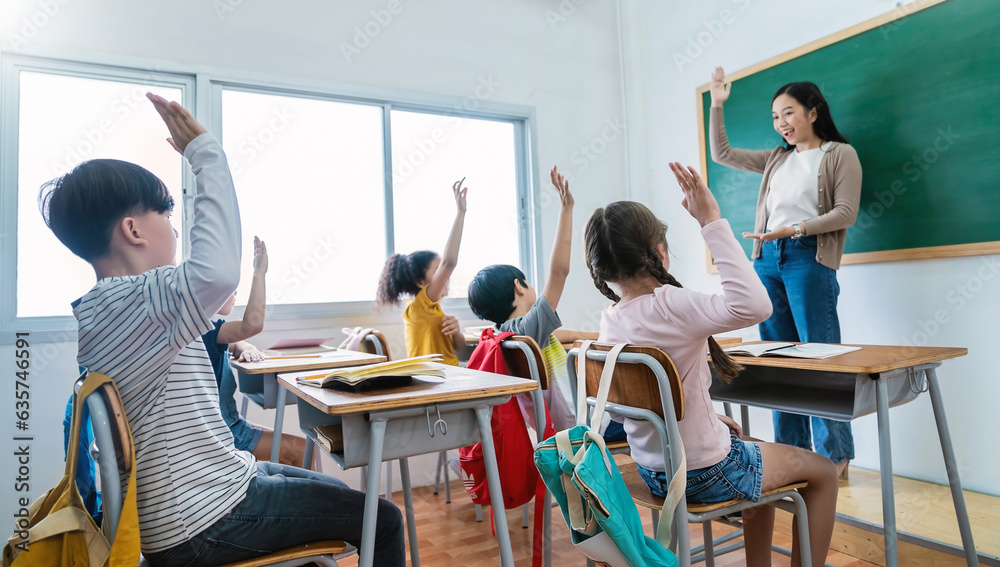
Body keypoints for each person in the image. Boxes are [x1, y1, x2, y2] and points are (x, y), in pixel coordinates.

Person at [40, 93, 403, 566]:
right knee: (384, 519)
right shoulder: (136, 299)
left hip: (204, 494)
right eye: (167, 216)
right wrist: (207, 153)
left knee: (335, 491)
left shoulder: (113, 310)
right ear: (133, 230)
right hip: (202, 519)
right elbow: (215, 274)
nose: (174, 228)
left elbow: (228, 307)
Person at [585, 163, 839, 567]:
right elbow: (756, 305)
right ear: (658, 253)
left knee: (755, 462)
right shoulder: (673, 304)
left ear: (601, 268)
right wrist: (711, 221)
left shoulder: (610, 320)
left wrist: (713, 421)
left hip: (655, 472)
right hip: (705, 472)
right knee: (823, 470)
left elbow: (649, 404)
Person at [709, 66, 862, 478]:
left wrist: (793, 229)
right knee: (779, 360)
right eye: (776, 117)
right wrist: (717, 105)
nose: (782, 124)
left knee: (821, 357)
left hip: (808, 257)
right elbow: (721, 154)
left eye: (789, 113)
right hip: (767, 260)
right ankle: (794, 453)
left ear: (813, 112)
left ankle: (836, 458)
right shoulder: (777, 158)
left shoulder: (838, 155)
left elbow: (845, 213)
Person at [467, 166, 597, 432]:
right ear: (519, 286)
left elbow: (553, 336)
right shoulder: (530, 327)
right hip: (579, 424)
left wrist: (593, 334)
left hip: (551, 426)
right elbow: (559, 271)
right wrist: (566, 208)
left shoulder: (504, 333)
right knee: (640, 414)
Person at [202, 236, 307, 466]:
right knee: (301, 450)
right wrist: (259, 273)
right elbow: (252, 324)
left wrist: (247, 346)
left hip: (231, 424)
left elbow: (237, 341)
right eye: (232, 289)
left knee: (293, 444)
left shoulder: (212, 331)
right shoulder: (205, 331)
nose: (236, 294)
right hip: (222, 434)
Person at [376, 178, 469, 366]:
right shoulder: (418, 307)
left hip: (447, 378)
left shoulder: (433, 309)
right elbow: (449, 263)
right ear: (420, 282)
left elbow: (460, 349)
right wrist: (461, 213)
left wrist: (457, 332)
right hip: (436, 383)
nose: (445, 277)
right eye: (437, 270)